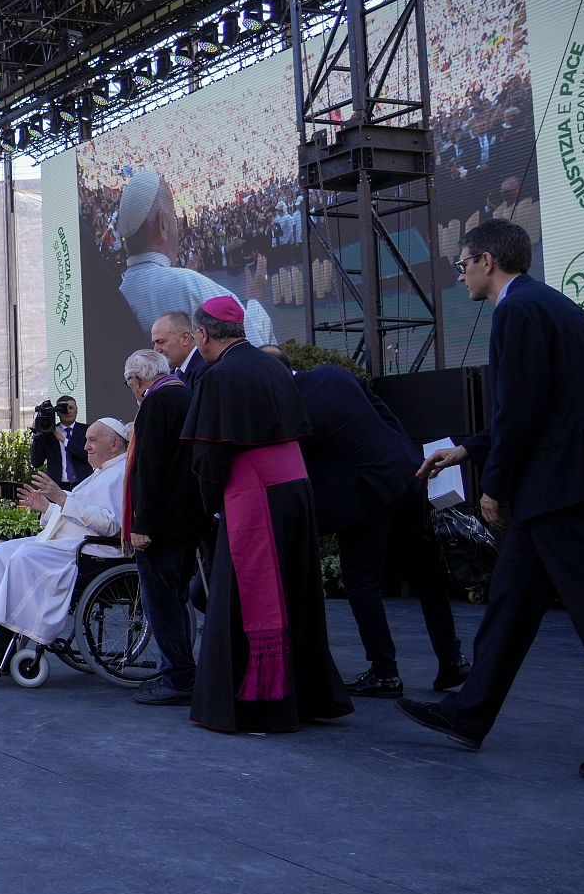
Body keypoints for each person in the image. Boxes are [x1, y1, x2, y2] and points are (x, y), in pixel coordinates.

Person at [401, 220, 584, 771]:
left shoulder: (517, 310)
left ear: (487, 260)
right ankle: (469, 712)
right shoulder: (550, 305)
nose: (459, 274)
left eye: (461, 264)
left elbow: (523, 410)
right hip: (559, 486)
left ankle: (470, 710)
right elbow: (544, 406)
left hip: (556, 490)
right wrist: (467, 450)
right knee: (510, 605)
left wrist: (495, 486)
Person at [181, 297, 350, 734]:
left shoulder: (218, 376)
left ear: (202, 335)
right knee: (297, 592)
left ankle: (260, 705)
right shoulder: (274, 365)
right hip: (295, 488)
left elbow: (209, 454)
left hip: (254, 494)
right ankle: (310, 697)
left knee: (246, 599)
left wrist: (208, 504)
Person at [268, 347, 469, 697]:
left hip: (366, 498)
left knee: (361, 582)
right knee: (426, 574)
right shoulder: (333, 374)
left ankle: (384, 671)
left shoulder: (291, 411)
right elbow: (384, 414)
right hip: (405, 476)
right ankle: (451, 658)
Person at [0, 419, 130, 672]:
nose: (86, 447)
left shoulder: (122, 472)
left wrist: (60, 497)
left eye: (92, 440)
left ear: (115, 443)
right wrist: (47, 507)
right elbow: (74, 512)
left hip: (95, 551)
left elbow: (111, 525)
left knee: (24, 557)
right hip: (73, 543)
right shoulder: (102, 472)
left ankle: (2, 649)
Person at [122, 348, 203, 706]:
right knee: (177, 599)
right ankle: (182, 670)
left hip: (161, 526)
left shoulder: (156, 403)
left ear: (137, 380)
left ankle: (179, 677)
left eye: (131, 385)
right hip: (188, 521)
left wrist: (142, 525)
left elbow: (150, 469)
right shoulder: (184, 393)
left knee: (162, 604)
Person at [116, 170, 273, 344]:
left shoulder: (115, 298)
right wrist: (255, 302)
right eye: (174, 217)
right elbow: (252, 352)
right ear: (162, 224)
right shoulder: (192, 286)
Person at [30, 396, 86, 488]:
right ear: (57, 412)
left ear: (77, 410)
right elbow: (36, 462)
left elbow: (86, 455)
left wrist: (64, 440)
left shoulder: (86, 430)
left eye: (71, 408)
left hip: (83, 485)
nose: (68, 411)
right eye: (63, 409)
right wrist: (37, 433)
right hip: (58, 488)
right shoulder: (48, 434)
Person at [150, 312, 209, 387]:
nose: (156, 350)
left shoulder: (206, 369)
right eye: (154, 344)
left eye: (161, 342)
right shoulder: (169, 378)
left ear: (185, 339)